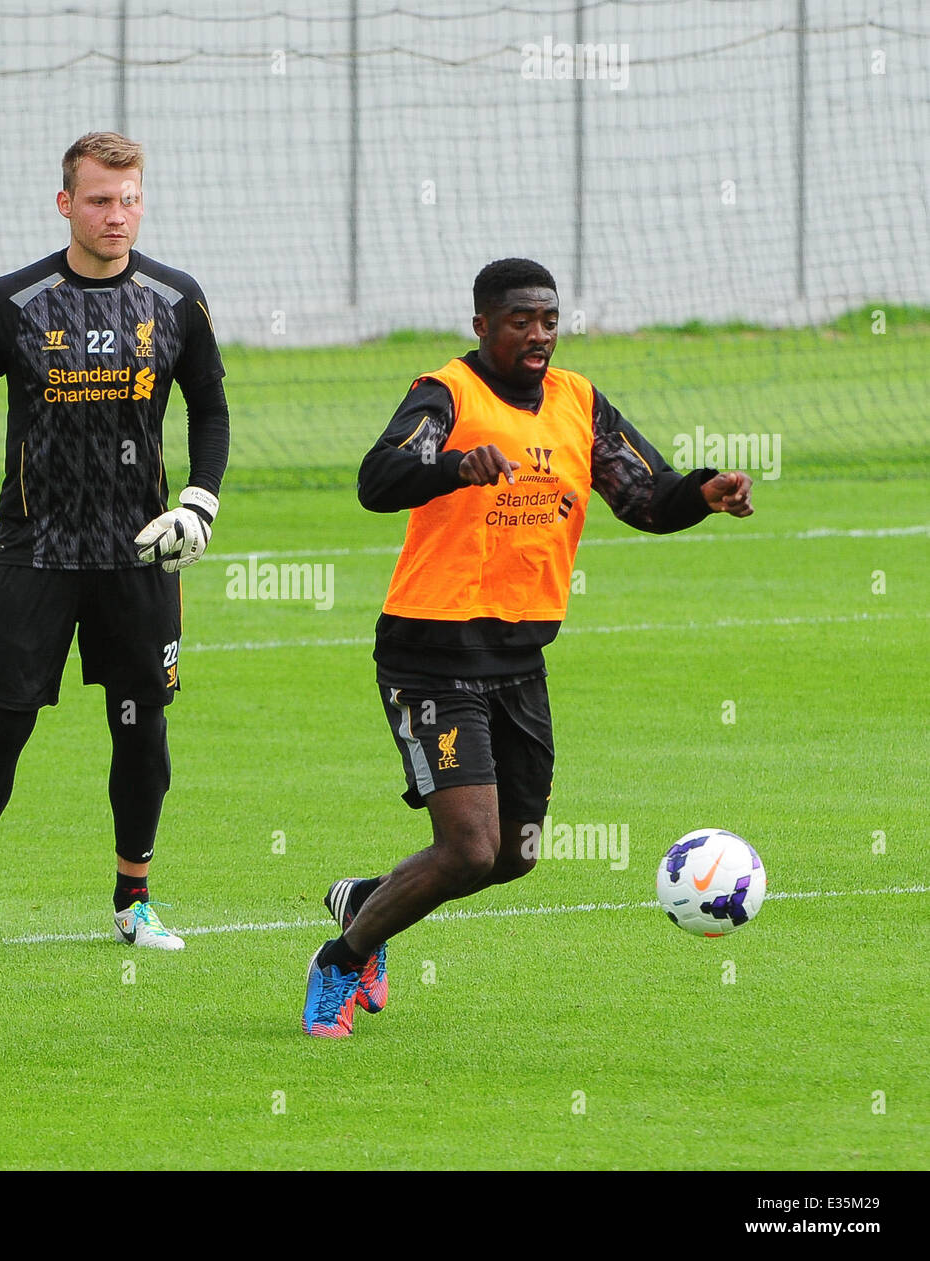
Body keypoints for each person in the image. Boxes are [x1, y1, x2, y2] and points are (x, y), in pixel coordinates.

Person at [302, 257, 752, 1037]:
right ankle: (340, 961)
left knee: (515, 853)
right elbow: (379, 477)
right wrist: (452, 467)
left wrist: (703, 493)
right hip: (431, 655)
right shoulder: (446, 392)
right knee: (470, 847)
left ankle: (369, 896)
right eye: (521, 320)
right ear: (482, 325)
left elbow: (644, 495)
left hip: (519, 661)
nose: (539, 334)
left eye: (549, 318)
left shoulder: (578, 401)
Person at [0, 131, 229, 955]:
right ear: (66, 203)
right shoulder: (16, 302)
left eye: (130, 199)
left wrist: (199, 504)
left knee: (142, 729)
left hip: (139, 555)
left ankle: (135, 899)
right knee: (2, 724)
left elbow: (209, 404)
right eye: (99, 200)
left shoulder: (176, 299)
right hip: (36, 550)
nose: (116, 215)